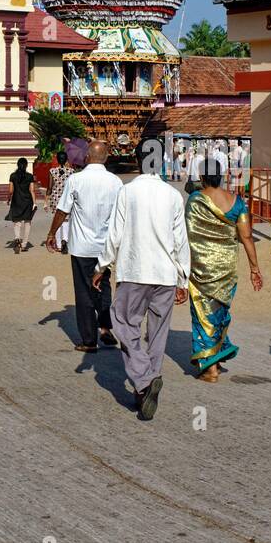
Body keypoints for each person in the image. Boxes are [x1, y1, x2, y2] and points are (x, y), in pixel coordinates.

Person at [93, 163, 191, 420]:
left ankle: (145, 380)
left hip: (134, 271)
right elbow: (181, 240)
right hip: (165, 275)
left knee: (124, 323)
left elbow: (114, 233)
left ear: (138, 161)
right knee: (158, 333)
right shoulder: (173, 195)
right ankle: (147, 385)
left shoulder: (128, 192)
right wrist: (183, 279)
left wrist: (101, 265)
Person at [186, 156, 263, 382]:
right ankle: (215, 359)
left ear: (201, 177)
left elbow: (187, 236)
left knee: (202, 316)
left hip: (200, 269)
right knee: (218, 313)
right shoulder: (237, 202)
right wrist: (254, 269)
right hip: (227, 269)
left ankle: (210, 369)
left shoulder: (195, 200)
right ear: (221, 176)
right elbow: (247, 237)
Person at [45, 139, 122, 350]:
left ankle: (89, 340)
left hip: (81, 247)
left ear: (87, 157)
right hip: (105, 247)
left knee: (84, 292)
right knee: (103, 285)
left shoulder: (76, 180)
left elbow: (62, 210)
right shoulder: (115, 182)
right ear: (106, 158)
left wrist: (52, 233)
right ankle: (105, 327)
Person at [5, 157, 37, 253]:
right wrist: (34, 203)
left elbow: (11, 190)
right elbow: (32, 190)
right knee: (27, 222)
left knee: (17, 222)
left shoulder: (13, 176)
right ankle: (24, 244)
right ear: (26, 165)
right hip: (28, 201)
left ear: (17, 165)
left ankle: (17, 238)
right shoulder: (30, 176)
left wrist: (8, 199)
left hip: (16, 201)